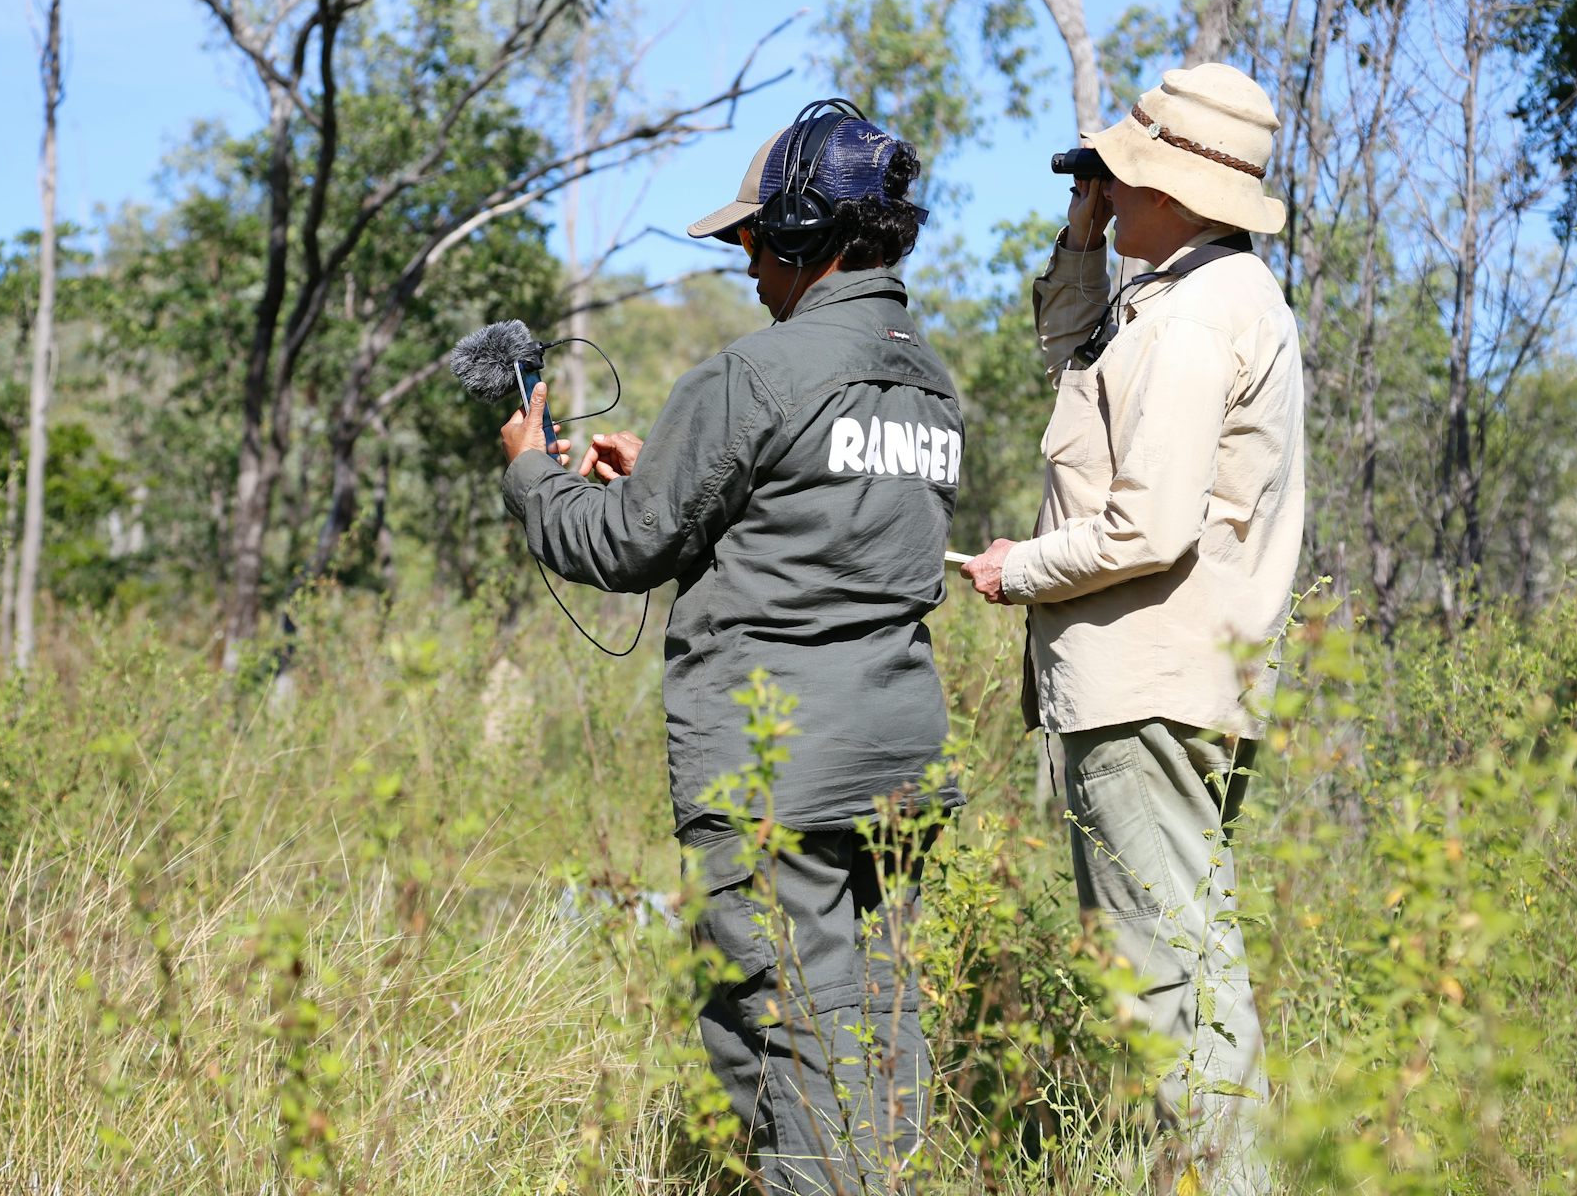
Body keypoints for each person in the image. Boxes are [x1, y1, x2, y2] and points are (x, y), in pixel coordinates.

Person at [498, 99, 964, 1194]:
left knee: (791, 1035)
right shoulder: (931, 384)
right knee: (879, 1023)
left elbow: (617, 546)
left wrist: (532, 466)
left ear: (806, 234)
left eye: (754, 237)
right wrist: (665, 463)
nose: (746, 263)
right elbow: (819, 519)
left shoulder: (753, 373)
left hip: (777, 766)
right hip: (900, 760)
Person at [959, 63, 1305, 1193]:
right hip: (1177, 680)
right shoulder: (1192, 293)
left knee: (1171, 991)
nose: (1111, 181)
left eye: (1126, 172)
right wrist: (1083, 230)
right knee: (1183, 971)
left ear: (1177, 190)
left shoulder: (1197, 318)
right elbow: (1068, 360)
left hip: (1144, 685)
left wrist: (1020, 570)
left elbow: (1143, 526)